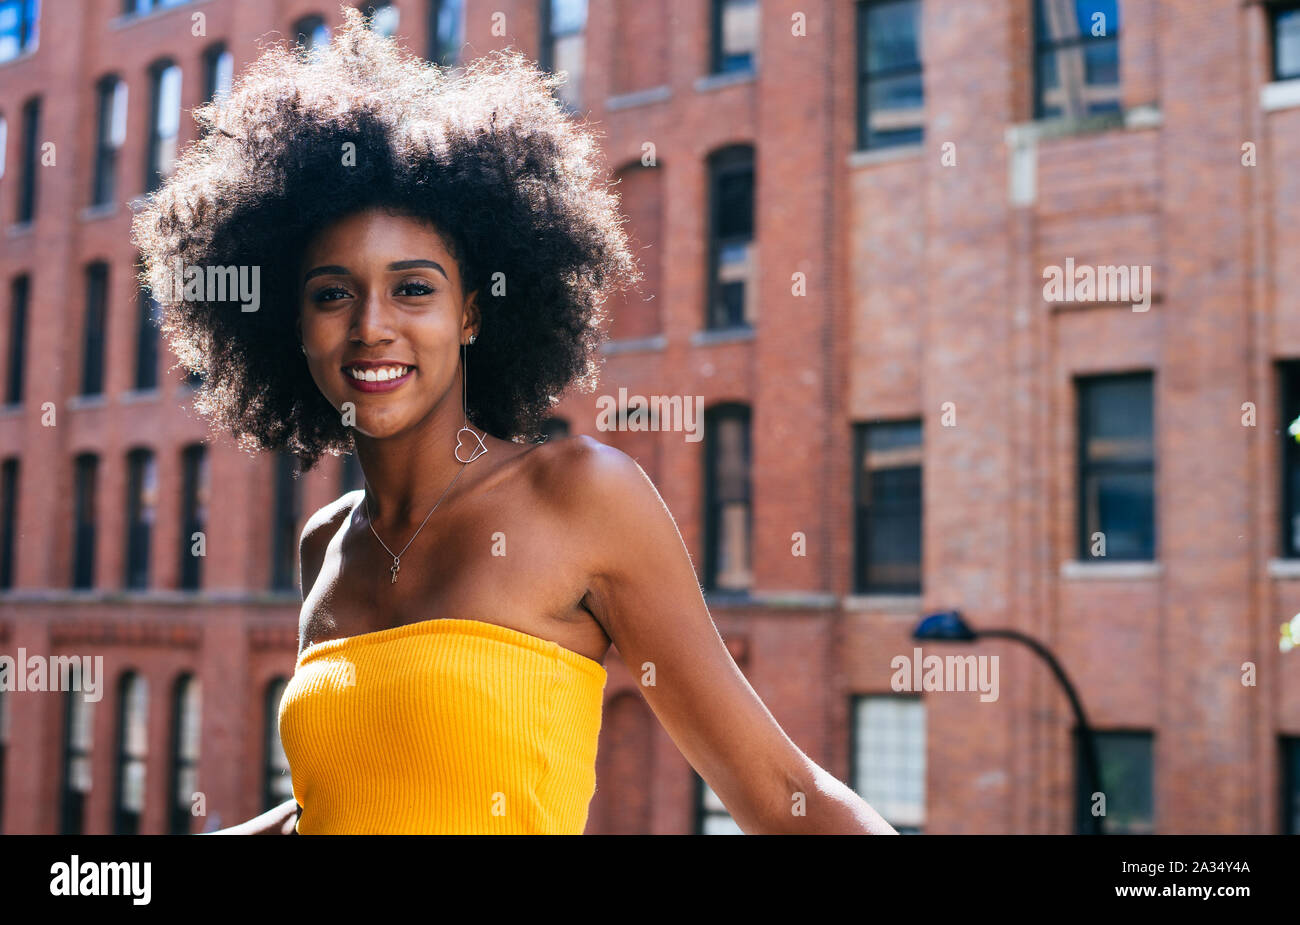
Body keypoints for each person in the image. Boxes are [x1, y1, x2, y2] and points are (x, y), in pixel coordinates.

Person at [132, 7, 896, 836]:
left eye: (414, 288)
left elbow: (784, 795)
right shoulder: (326, 542)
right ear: (291, 325)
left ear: (472, 314)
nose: (371, 324)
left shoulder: (580, 496)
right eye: (332, 293)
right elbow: (354, 801)